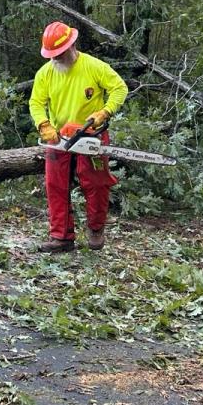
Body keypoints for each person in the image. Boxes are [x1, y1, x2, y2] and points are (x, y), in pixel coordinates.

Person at [28, 21, 128, 253]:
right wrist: (43, 124)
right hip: (58, 136)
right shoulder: (45, 74)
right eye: (52, 55)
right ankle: (61, 236)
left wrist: (105, 111)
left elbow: (119, 88)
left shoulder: (94, 66)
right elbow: (36, 102)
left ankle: (95, 228)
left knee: (95, 183)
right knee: (55, 184)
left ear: (71, 45)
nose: (56, 59)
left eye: (59, 54)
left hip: (90, 134)